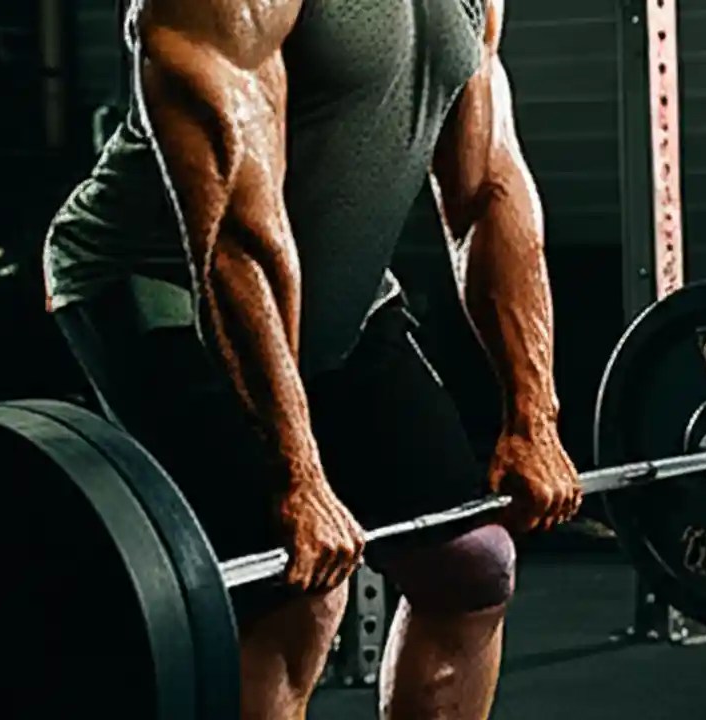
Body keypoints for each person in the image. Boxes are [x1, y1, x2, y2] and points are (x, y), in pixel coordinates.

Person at [43, 0, 581, 717]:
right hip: (166, 286)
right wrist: (298, 475)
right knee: (299, 590)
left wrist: (534, 416)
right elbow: (236, 236)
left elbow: (488, 189)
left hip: (337, 290)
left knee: (471, 566)